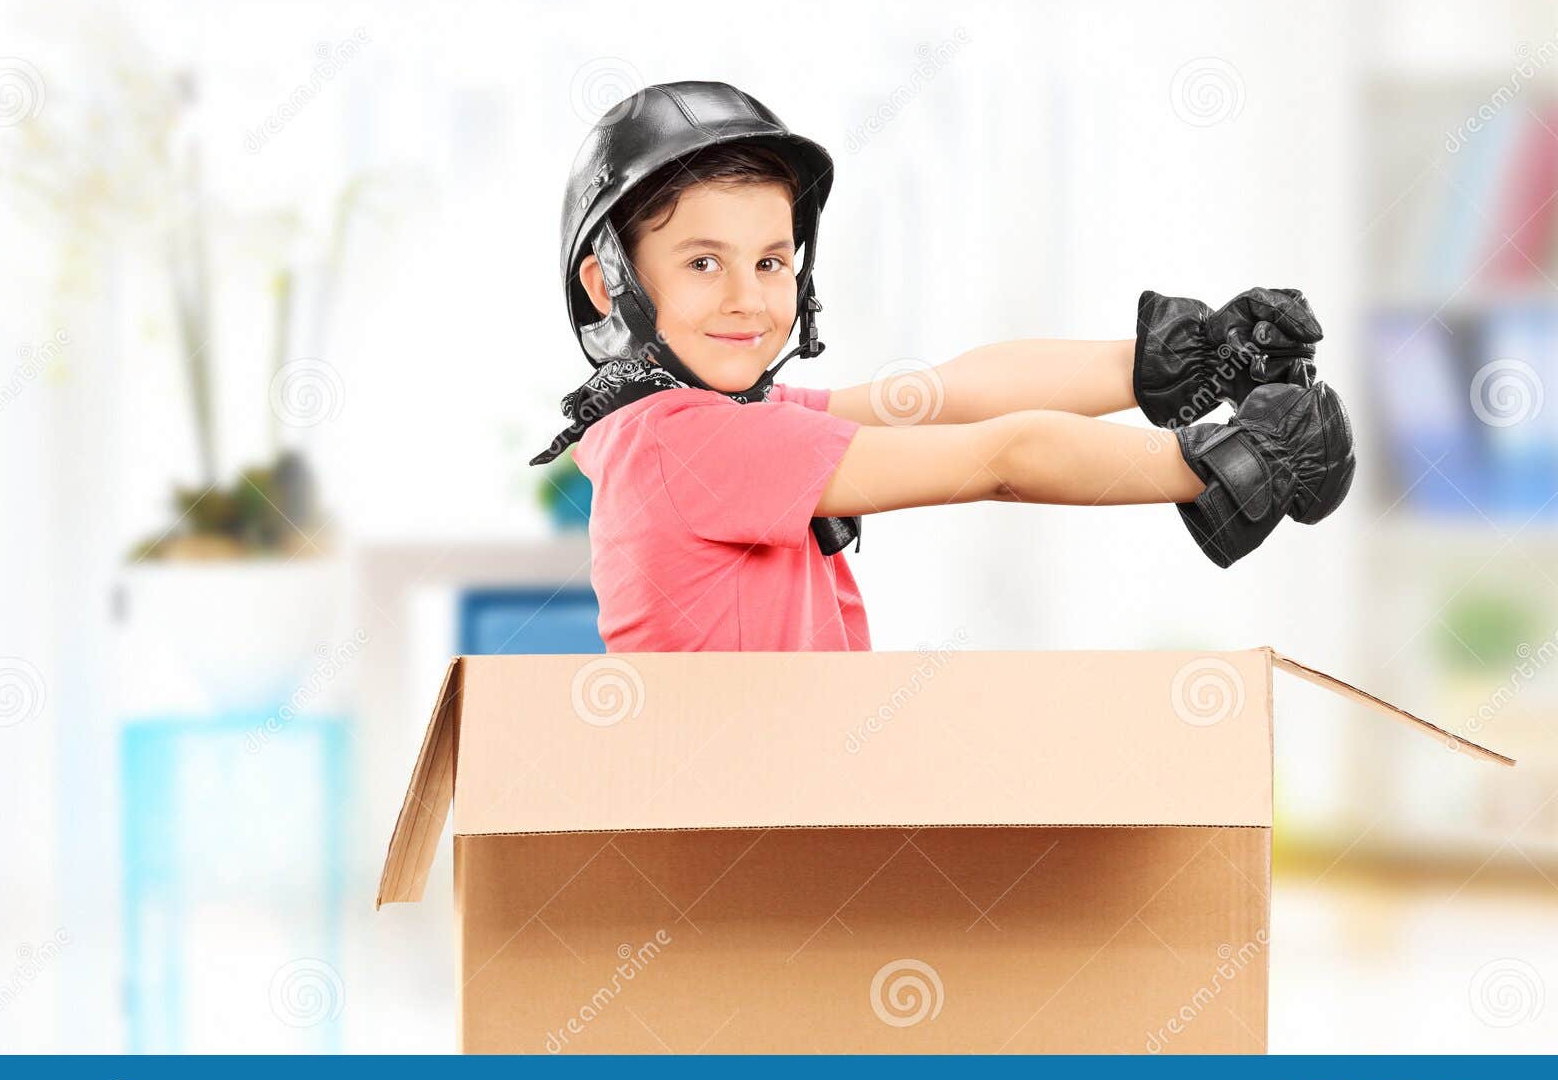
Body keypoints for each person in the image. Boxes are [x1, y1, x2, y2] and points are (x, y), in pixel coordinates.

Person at [532, 81, 1355, 652]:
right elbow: (1001, 457)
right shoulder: (685, 446)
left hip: (782, 821)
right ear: (610, 284)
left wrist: (1178, 361)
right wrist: (1228, 458)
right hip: (756, 849)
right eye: (703, 263)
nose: (748, 299)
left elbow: (943, 396)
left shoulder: (708, 422)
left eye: (772, 262)